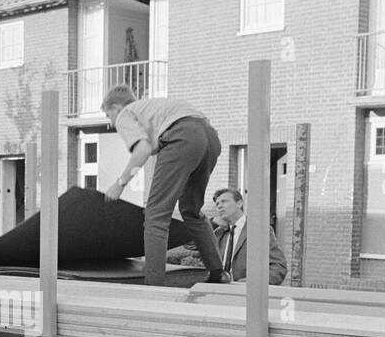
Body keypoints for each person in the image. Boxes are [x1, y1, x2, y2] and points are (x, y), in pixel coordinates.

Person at [100, 84, 229, 286]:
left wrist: (120, 183)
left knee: (155, 215)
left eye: (109, 117)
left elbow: (142, 150)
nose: (112, 124)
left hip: (182, 137)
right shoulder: (152, 107)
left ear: (115, 108)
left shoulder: (126, 113)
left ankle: (154, 285)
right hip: (210, 138)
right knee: (191, 210)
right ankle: (217, 272)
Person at [212, 187, 288, 285]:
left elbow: (278, 266)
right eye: (217, 204)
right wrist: (211, 223)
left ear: (239, 203)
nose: (219, 206)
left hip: (247, 294)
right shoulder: (218, 233)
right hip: (219, 292)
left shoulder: (258, 229)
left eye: (224, 201)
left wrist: (254, 284)